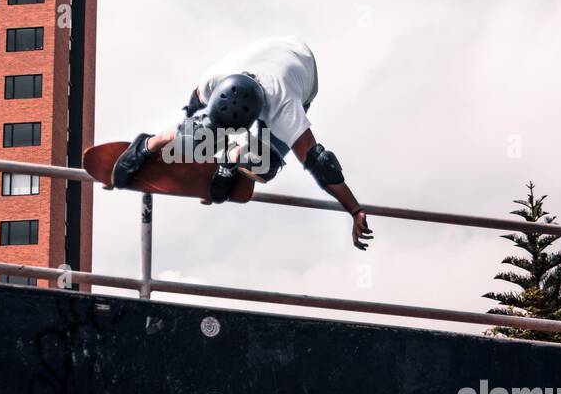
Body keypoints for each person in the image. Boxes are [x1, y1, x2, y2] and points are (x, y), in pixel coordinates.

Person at [112, 36, 373, 251]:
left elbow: (321, 164)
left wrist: (354, 209)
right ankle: (145, 144)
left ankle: (232, 159)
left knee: (262, 163)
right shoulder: (212, 81)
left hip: (301, 68)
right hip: (266, 55)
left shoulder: (285, 108)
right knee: (197, 139)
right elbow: (191, 117)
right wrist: (167, 148)